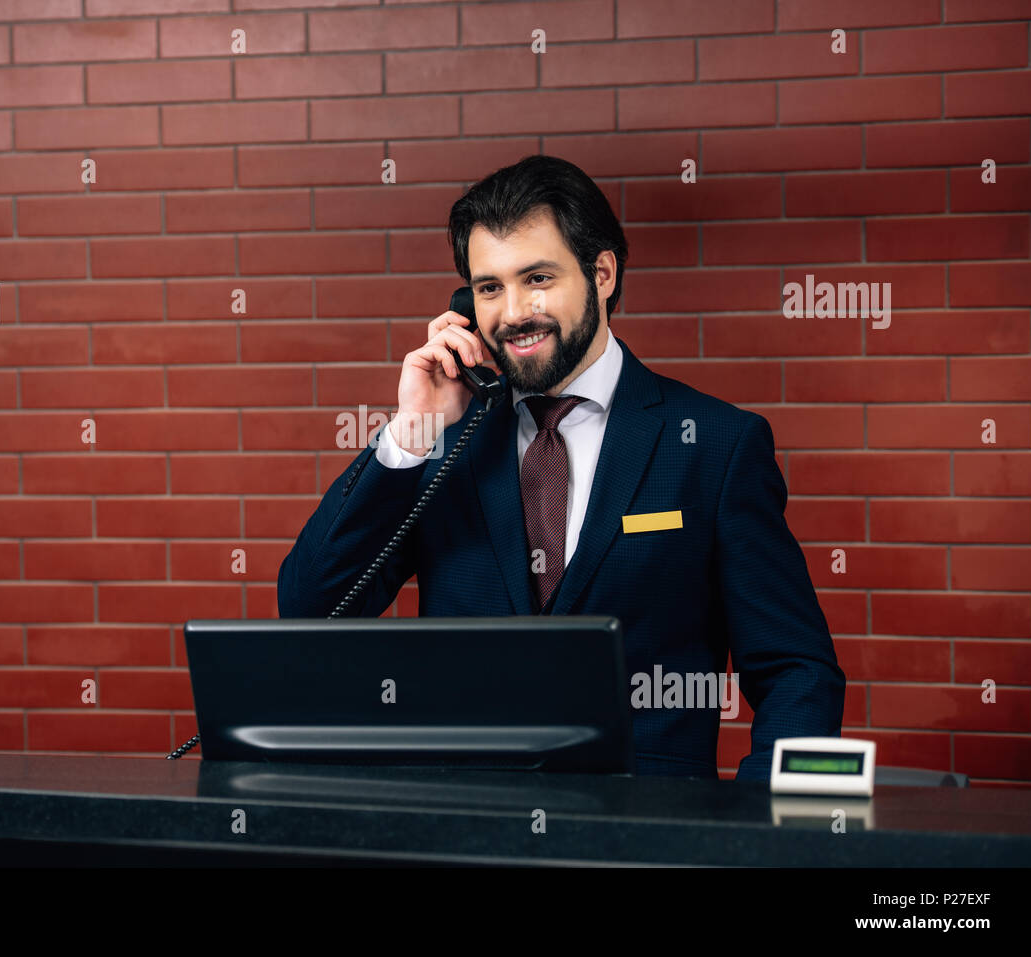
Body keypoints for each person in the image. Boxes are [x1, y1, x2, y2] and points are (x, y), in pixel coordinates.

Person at [277, 155, 845, 781]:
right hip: (463, 831)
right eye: (490, 287)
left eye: (538, 278)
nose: (514, 311)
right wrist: (411, 436)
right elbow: (311, 610)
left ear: (602, 273)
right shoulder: (444, 445)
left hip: (647, 836)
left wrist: (763, 827)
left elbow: (795, 668)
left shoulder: (715, 444)